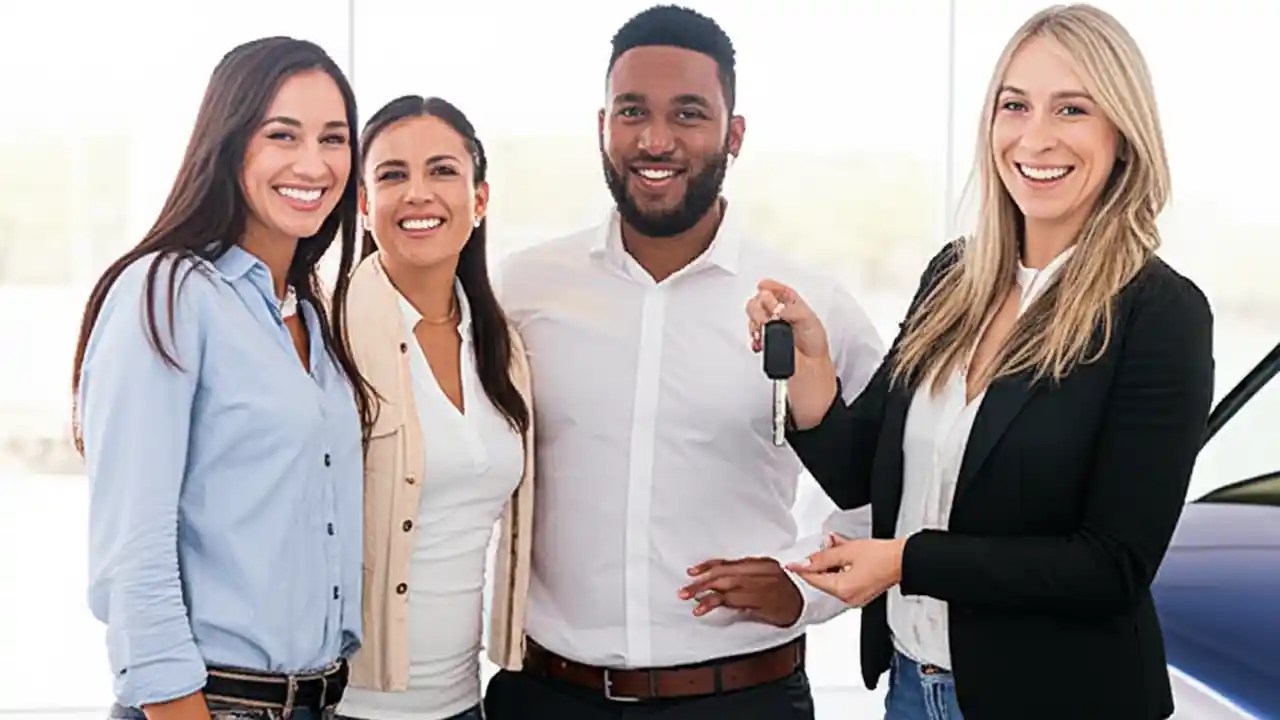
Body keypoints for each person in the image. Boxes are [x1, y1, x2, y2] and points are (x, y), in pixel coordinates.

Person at [745, 5, 1215, 719]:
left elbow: (1110, 565)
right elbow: (859, 469)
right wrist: (811, 366)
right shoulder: (953, 278)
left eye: (1072, 109)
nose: (1035, 136)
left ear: (1122, 135)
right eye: (1015, 105)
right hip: (912, 689)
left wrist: (908, 561)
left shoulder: (1160, 314)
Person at [484, 5, 884, 719]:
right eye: (632, 111)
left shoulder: (808, 300)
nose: (655, 139)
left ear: (734, 134)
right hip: (547, 696)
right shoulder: (522, 289)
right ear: (601, 126)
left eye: (688, 113)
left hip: (743, 697)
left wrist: (809, 585)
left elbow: (885, 477)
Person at [73, 37, 372, 720]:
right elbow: (133, 551)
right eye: (282, 135)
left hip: (317, 701)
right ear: (230, 142)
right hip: (211, 704)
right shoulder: (169, 293)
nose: (312, 162)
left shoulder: (306, 317)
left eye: (333, 138)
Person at [334, 95, 534, 720]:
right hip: (345, 706)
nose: (418, 193)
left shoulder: (504, 346)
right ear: (364, 205)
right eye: (393, 175)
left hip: (464, 703)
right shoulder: (325, 330)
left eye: (442, 171)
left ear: (479, 199)